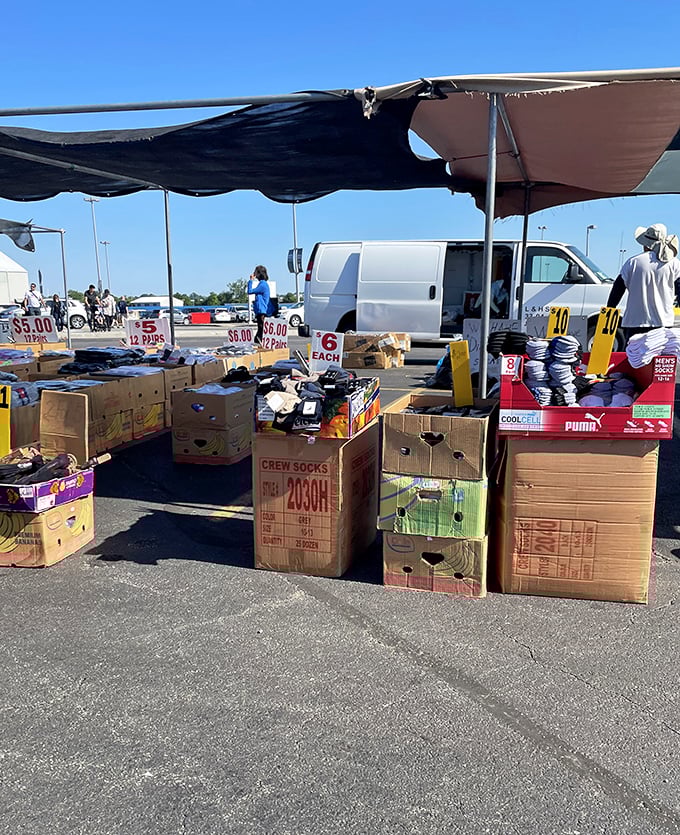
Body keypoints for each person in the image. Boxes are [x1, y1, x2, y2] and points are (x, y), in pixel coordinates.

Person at [607, 223, 680, 341]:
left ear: (645, 244)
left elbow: (617, 291)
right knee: (659, 358)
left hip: (634, 323)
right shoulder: (674, 264)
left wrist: (610, 310)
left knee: (634, 357)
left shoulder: (633, 262)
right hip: (663, 323)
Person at [247, 265, 276, 344]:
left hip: (262, 310)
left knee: (261, 328)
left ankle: (259, 342)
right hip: (261, 310)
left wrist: (250, 281)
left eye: (255, 272)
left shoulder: (262, 285)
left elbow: (250, 291)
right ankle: (258, 341)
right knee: (260, 329)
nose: (254, 273)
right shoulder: (263, 284)